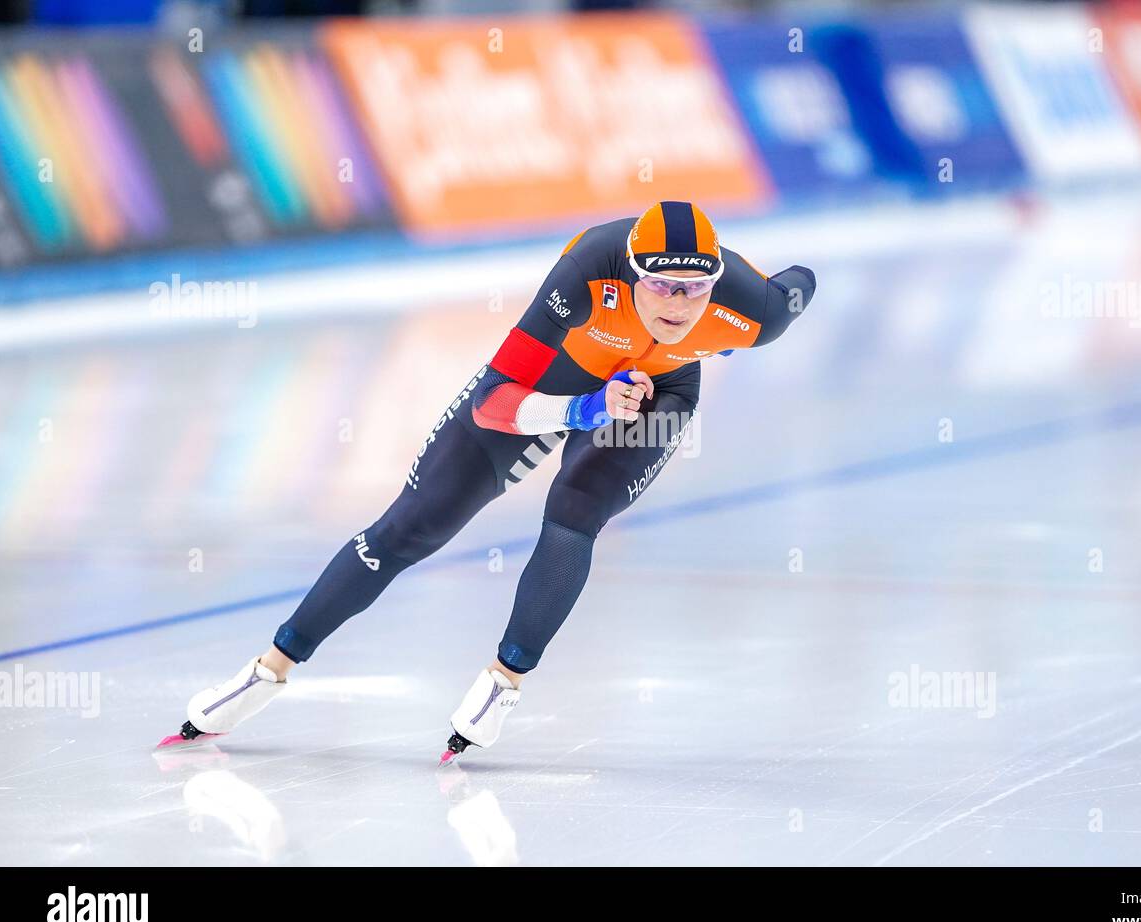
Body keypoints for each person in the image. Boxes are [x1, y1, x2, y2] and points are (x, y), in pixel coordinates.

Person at [161, 200, 816, 763]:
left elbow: (801, 281)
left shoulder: (750, 310)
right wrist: (584, 410)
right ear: (632, 274)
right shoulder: (588, 270)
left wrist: (707, 344)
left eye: (694, 289)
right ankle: (269, 669)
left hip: (658, 393)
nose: (678, 304)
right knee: (413, 525)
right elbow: (493, 404)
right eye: (661, 286)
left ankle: (505, 679)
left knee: (574, 509)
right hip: (559, 378)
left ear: (716, 282)